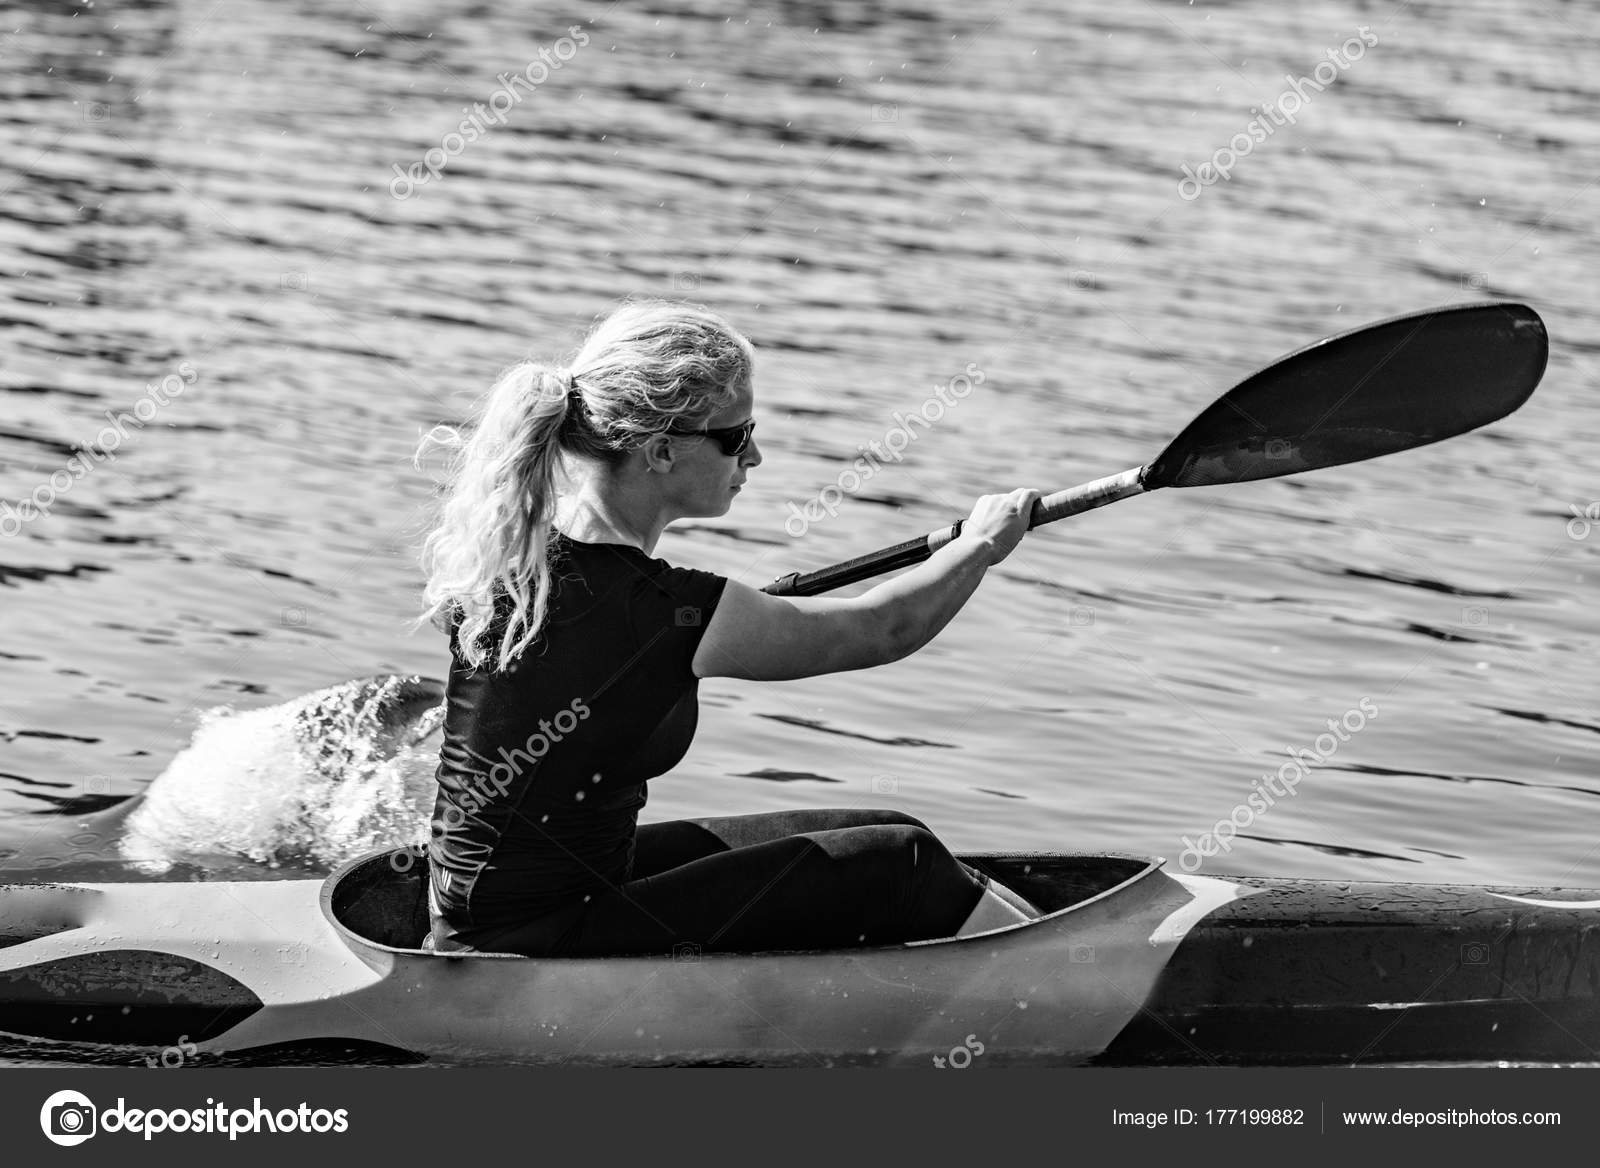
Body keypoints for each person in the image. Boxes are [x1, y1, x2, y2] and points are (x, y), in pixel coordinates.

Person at [417, 299, 1041, 956]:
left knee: (885, 824)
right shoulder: (657, 609)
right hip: (529, 940)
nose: (757, 456)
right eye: (736, 437)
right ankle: (1066, 973)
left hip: (502, 904)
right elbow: (883, 629)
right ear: (661, 450)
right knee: (904, 860)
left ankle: (1000, 945)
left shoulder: (512, 557)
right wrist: (980, 546)